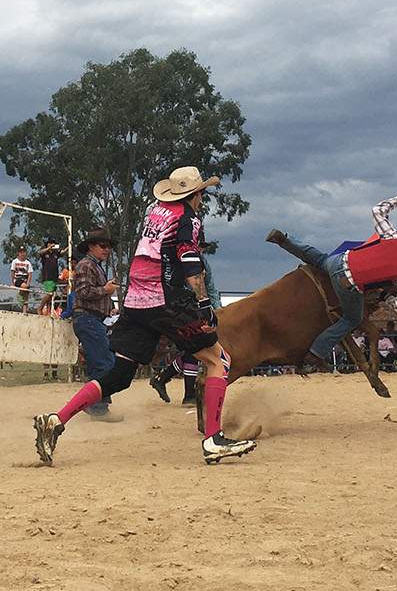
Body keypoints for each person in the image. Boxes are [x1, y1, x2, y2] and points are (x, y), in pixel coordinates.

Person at [34, 166, 259, 466]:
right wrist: (204, 303)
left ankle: (56, 420)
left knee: (118, 375)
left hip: (136, 303)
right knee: (219, 360)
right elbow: (190, 261)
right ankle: (213, 440)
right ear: (195, 194)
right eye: (202, 193)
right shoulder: (188, 218)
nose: (202, 199)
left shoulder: (155, 211)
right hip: (166, 302)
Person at [265, 193, 397, 371]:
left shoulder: (393, 237)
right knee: (351, 319)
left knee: (320, 260)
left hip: (340, 261)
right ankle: (316, 351)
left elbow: (377, 210)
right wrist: (388, 298)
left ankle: (285, 240)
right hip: (349, 283)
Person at [68, 229, 122, 422]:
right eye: (102, 246)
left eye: (108, 246)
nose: (106, 250)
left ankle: (92, 404)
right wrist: (105, 290)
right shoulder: (86, 265)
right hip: (88, 318)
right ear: (91, 246)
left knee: (98, 362)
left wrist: (109, 306)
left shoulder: (92, 265)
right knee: (104, 363)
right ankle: (98, 407)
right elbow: (82, 292)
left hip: (90, 319)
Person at [38, 242, 62, 313]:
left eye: (53, 243)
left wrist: (68, 247)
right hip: (47, 277)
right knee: (49, 293)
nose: (52, 244)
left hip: (54, 277)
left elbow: (62, 252)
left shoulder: (55, 253)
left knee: (52, 295)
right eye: (50, 243)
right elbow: (40, 253)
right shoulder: (45, 253)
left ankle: (48, 310)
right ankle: (40, 308)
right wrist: (49, 248)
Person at [10, 246, 33, 312]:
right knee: (24, 287)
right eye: (21, 252)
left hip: (25, 280)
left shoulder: (28, 263)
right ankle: (20, 294)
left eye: (24, 252)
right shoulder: (15, 261)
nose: (22, 254)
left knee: (26, 294)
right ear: (18, 253)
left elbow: (30, 274)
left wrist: (28, 283)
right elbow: (12, 271)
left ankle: (24, 311)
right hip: (18, 279)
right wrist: (13, 282)